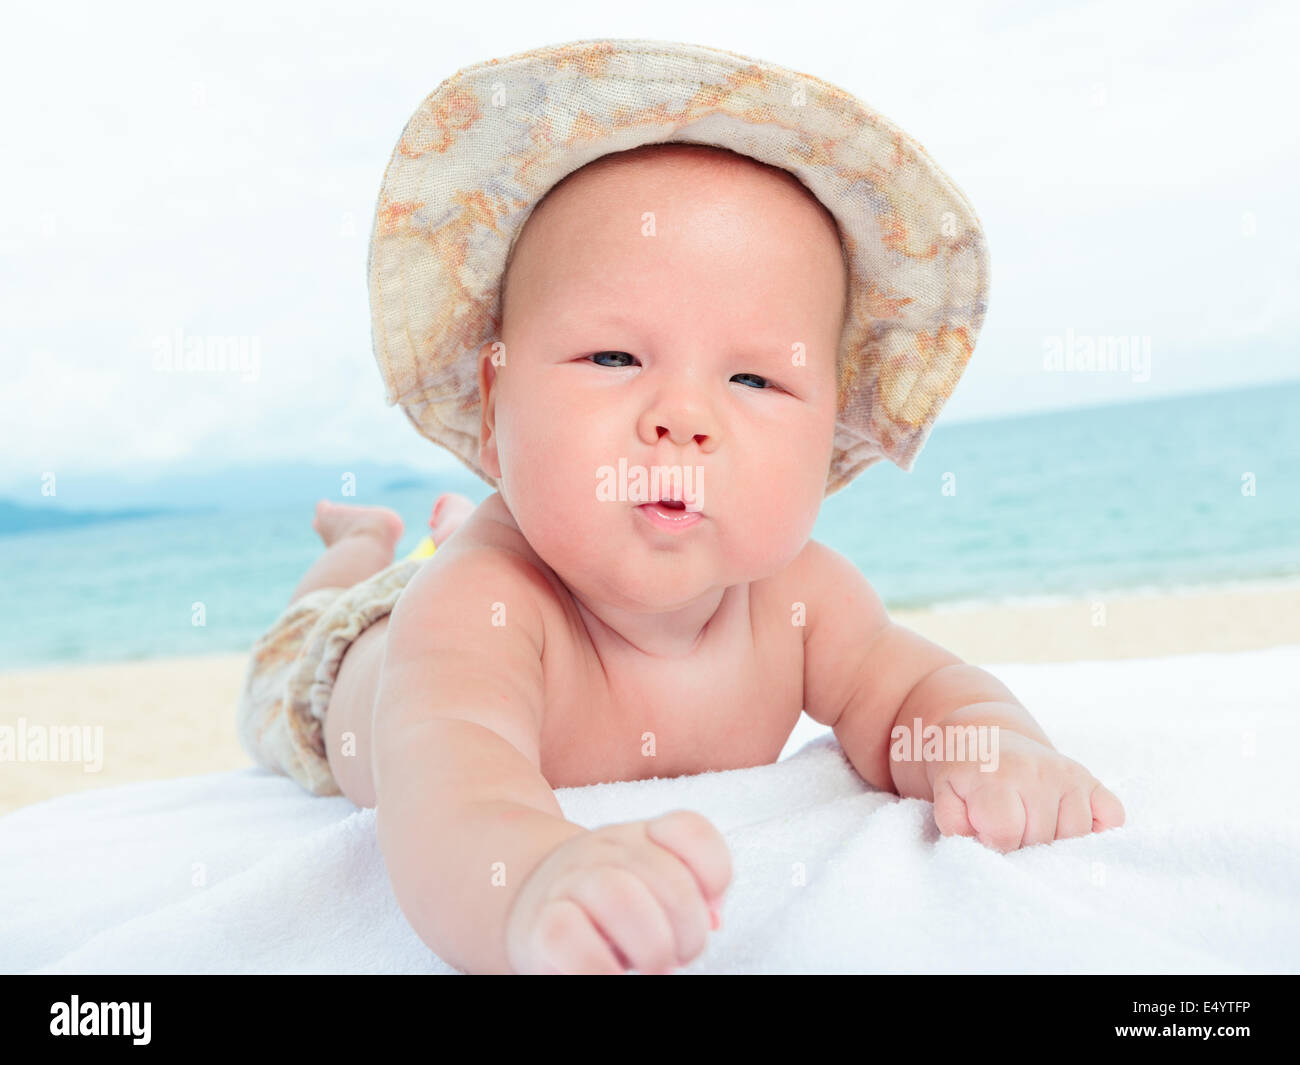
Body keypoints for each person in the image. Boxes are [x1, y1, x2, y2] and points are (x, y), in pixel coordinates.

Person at [237, 39, 1124, 975]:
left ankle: (424, 534)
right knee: (305, 632)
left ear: (827, 441)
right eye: (615, 358)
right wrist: (534, 879)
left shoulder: (801, 600)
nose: (685, 419)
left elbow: (913, 693)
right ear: (495, 413)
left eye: (754, 377)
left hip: (486, 546)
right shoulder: (481, 614)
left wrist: (991, 749)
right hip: (357, 655)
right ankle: (355, 549)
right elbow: (450, 790)